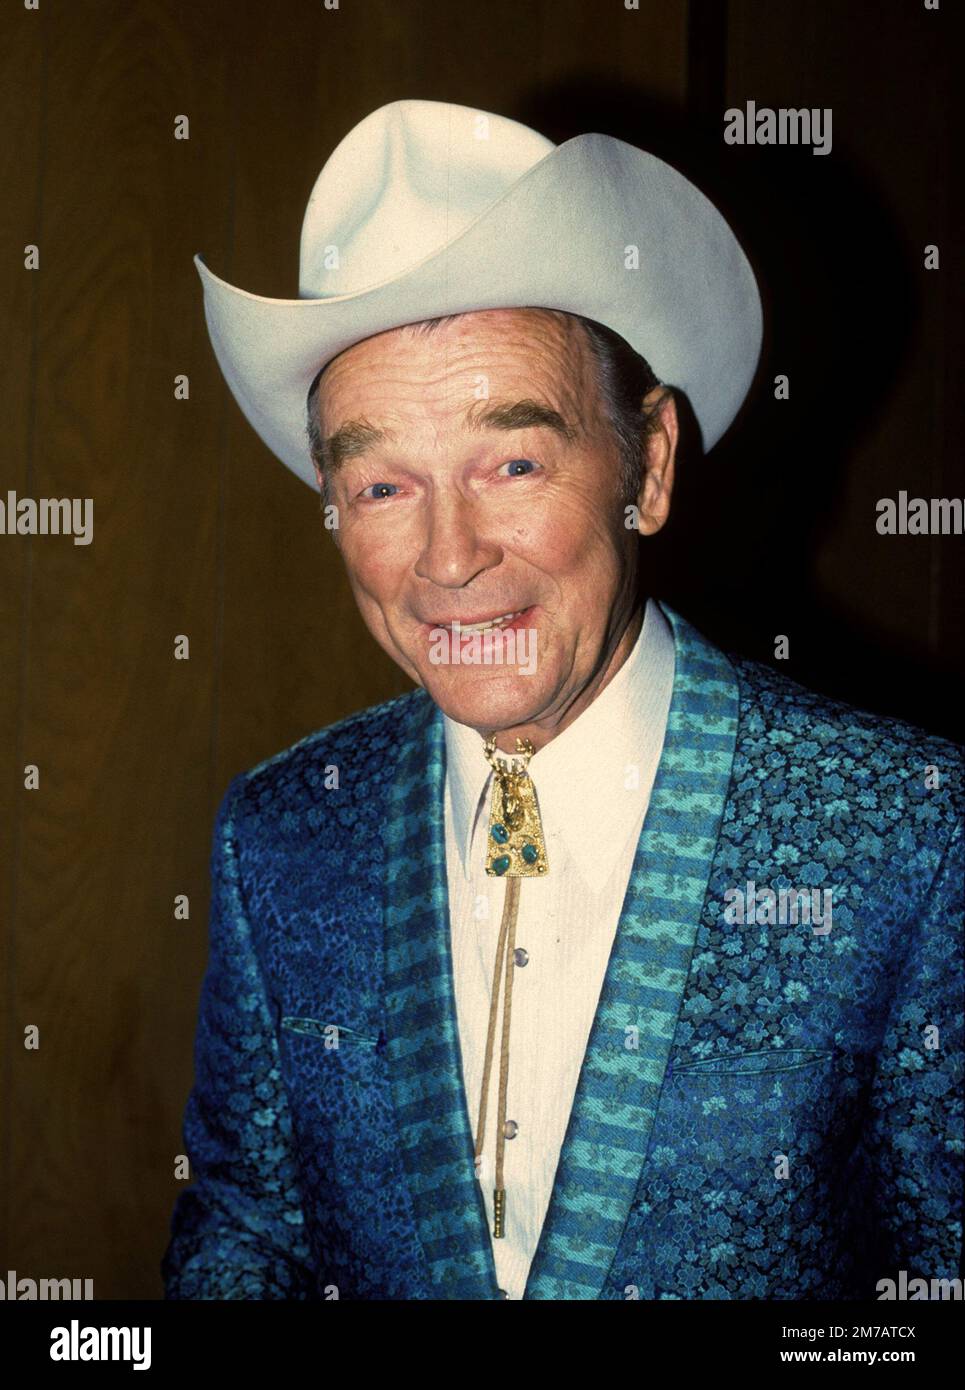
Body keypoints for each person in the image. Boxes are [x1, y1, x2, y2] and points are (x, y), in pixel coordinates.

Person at [162, 99, 963, 1300]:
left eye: (513, 462)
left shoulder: (903, 830)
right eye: (383, 485)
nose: (447, 556)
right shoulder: (280, 836)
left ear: (645, 465)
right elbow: (244, 1233)